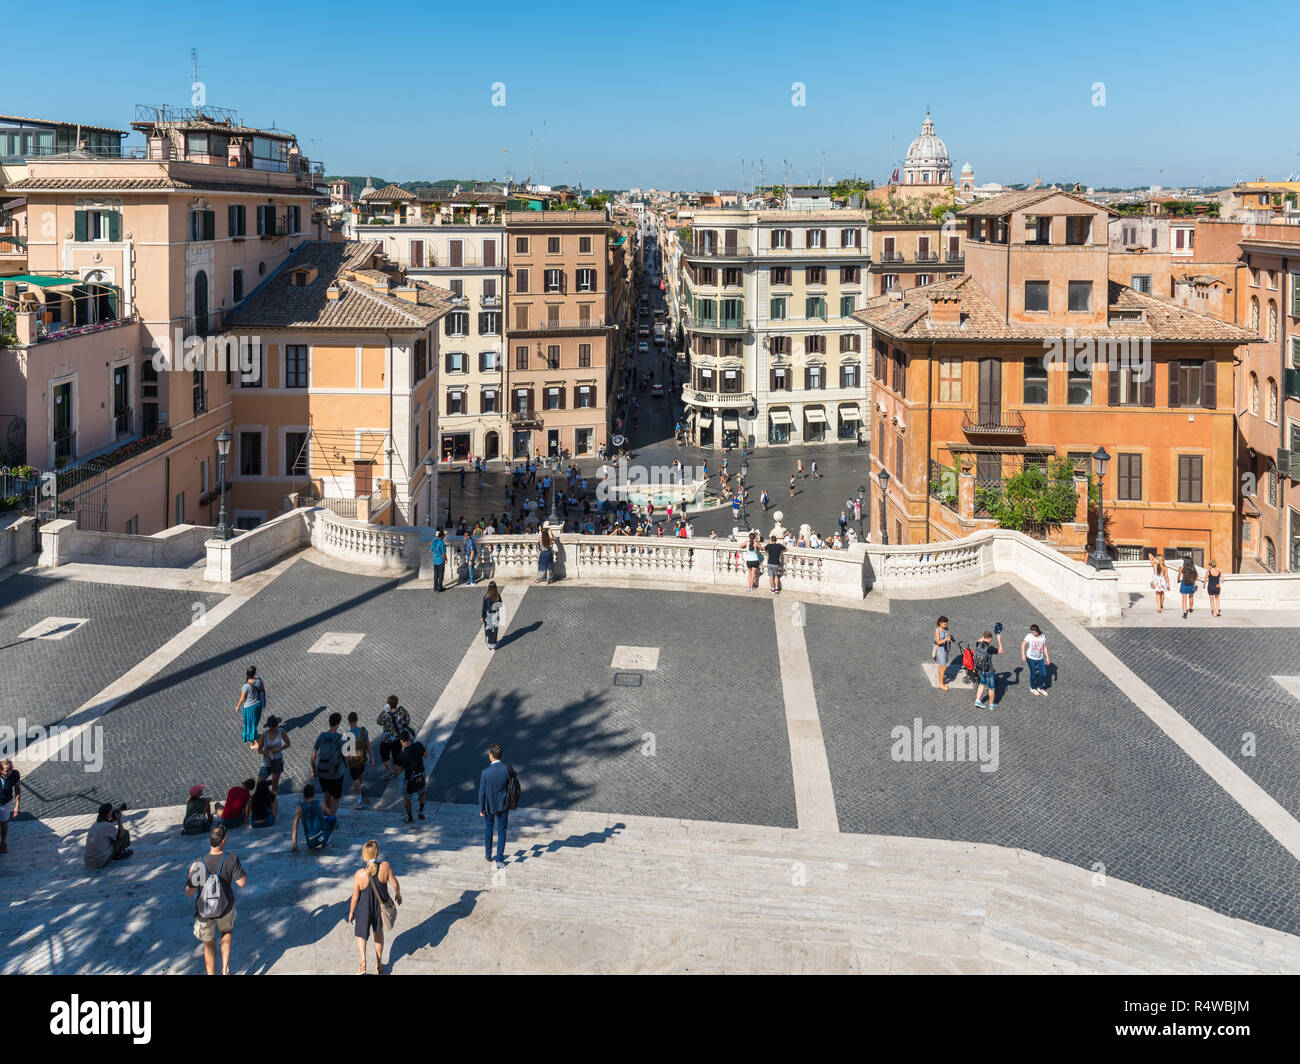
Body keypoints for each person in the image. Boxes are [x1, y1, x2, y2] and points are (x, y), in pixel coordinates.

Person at [185, 825, 246, 975]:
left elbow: (189, 892)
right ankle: (225, 969)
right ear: (223, 840)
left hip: (204, 911)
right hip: (225, 907)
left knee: (208, 942)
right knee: (226, 932)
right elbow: (242, 883)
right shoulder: (231, 859)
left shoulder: (199, 863)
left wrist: (190, 875)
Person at [349, 840, 402, 975]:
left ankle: (363, 963)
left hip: (364, 908)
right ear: (377, 853)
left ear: (364, 856)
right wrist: (398, 895)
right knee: (378, 934)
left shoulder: (359, 874)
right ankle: (379, 964)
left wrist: (351, 912)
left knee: (361, 934)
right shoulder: (385, 866)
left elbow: (355, 898)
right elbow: (395, 885)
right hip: (380, 907)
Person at [312, 713, 347, 830]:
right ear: (338, 724)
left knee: (326, 793)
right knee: (336, 797)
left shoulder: (321, 736)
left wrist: (313, 769)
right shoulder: (341, 738)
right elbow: (347, 757)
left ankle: (327, 816)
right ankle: (332, 820)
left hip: (322, 772)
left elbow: (313, 754)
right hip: (336, 774)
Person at [479, 744, 513, 865]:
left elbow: (482, 792)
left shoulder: (485, 773)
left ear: (491, 755)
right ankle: (499, 858)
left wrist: (482, 808)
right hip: (503, 805)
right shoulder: (508, 769)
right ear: (501, 756)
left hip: (489, 806)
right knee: (502, 830)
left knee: (489, 828)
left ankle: (488, 854)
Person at [84, 803, 132, 869]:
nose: (113, 811)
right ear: (108, 814)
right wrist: (119, 820)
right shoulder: (107, 826)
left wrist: (112, 819)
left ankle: (115, 853)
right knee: (125, 833)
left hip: (88, 862)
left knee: (111, 838)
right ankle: (120, 853)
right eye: (112, 811)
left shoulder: (94, 825)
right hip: (100, 862)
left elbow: (106, 829)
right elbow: (121, 834)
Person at [250, 715, 289, 794]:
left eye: (275, 726)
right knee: (259, 783)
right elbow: (259, 750)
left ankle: (274, 800)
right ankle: (257, 798)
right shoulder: (264, 735)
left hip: (277, 760)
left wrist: (279, 749)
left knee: (275, 784)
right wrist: (266, 753)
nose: (274, 729)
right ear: (269, 726)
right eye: (272, 727)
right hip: (266, 761)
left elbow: (288, 744)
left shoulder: (281, 731)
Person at [397, 730, 428, 823]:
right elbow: (426, 755)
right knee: (423, 792)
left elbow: (397, 771)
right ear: (409, 738)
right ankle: (421, 811)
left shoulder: (402, 754)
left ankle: (410, 818)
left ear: (401, 741)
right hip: (420, 775)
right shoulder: (418, 745)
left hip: (409, 779)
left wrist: (403, 765)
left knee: (406, 798)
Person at [376, 696, 411, 780]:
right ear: (397, 703)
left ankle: (389, 771)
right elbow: (407, 720)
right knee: (396, 755)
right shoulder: (402, 710)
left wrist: (383, 711)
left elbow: (378, 721)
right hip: (398, 738)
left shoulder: (385, 715)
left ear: (388, 704)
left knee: (384, 754)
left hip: (387, 740)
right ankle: (397, 772)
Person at [346, 711, 373, 809]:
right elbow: (368, 744)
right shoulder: (363, 731)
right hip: (362, 758)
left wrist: (347, 760)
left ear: (349, 721)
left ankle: (359, 801)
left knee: (355, 779)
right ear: (357, 720)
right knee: (361, 773)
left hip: (353, 760)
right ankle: (360, 788)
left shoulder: (347, 735)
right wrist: (371, 757)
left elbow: (345, 751)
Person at [291, 784, 329, 851]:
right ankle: (326, 840)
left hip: (311, 842)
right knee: (332, 820)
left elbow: (294, 828)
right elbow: (330, 814)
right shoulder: (321, 804)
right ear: (314, 794)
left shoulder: (299, 808)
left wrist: (295, 845)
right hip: (324, 838)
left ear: (304, 795)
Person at [972, 628, 1004, 710]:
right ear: (990, 639)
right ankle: (991, 705)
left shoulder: (978, 644)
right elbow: (1001, 651)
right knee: (991, 688)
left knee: (982, 684)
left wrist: (984, 636)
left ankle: (977, 700)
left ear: (984, 637)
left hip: (980, 668)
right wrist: (999, 639)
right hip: (989, 670)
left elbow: (978, 640)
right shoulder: (990, 648)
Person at [235, 665, 266, 745]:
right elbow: (263, 690)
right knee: (254, 723)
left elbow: (242, 698)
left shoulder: (246, 686)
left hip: (249, 708)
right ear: (254, 673)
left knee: (250, 724)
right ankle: (255, 737)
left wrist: (238, 706)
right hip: (258, 705)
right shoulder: (259, 681)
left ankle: (257, 743)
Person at [1021, 624, 1051, 697]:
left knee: (1043, 674)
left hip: (1040, 658)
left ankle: (1040, 688)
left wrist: (1047, 657)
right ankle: (1032, 688)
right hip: (1030, 658)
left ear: (1037, 631)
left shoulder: (1042, 637)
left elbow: (1044, 647)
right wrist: (1023, 654)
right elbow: (1023, 644)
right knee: (1033, 674)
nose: (1033, 633)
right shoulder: (1029, 636)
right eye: (1032, 632)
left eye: (1034, 632)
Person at [0, 759, 20, 854]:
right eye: (7, 770)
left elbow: (17, 789)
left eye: (11, 769)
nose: (10, 772)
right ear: (0, 770)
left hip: (5, 803)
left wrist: (17, 805)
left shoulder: (14, 775)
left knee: (4, 824)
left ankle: (3, 843)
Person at [933, 616, 953, 691]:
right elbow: (938, 642)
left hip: (944, 649)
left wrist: (949, 636)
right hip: (940, 649)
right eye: (944, 624)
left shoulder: (945, 629)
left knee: (941, 665)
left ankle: (940, 678)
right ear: (940, 623)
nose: (946, 625)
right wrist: (945, 639)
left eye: (946, 624)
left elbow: (948, 635)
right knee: (944, 667)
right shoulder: (937, 630)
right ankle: (941, 684)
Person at [482, 581, 504, 649]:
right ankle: (494, 645)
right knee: (494, 631)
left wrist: (482, 616)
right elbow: (500, 604)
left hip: (487, 616)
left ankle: (488, 645)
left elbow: (484, 608)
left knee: (488, 631)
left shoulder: (486, 597)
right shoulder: (497, 596)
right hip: (495, 615)